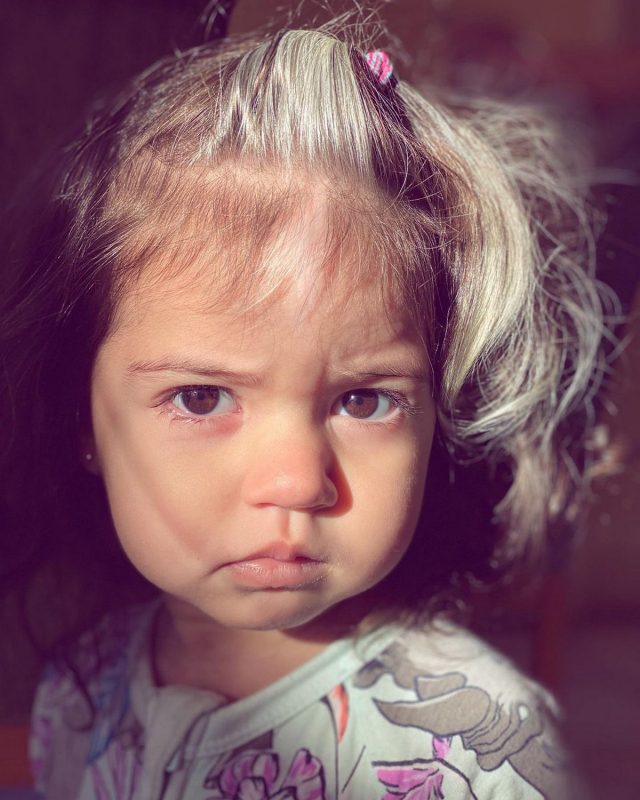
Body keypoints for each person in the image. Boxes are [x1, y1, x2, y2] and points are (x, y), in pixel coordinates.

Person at [0, 16, 605, 800]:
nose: (294, 481)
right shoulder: (82, 692)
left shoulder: (481, 755)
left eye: (364, 400)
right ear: (82, 416)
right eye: (201, 397)